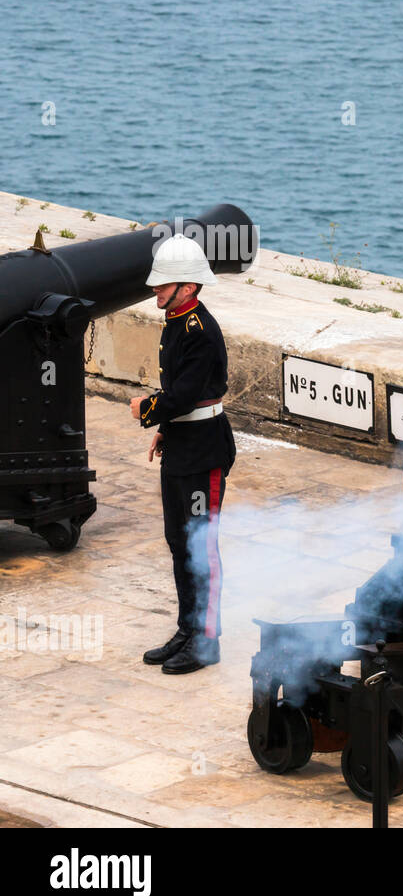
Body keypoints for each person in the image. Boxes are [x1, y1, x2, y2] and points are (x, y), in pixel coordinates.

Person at [129, 235, 236, 674]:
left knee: (200, 547)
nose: (155, 291)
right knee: (179, 542)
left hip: (203, 451)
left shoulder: (199, 330)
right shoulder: (177, 318)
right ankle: (188, 629)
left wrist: (147, 411)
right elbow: (181, 392)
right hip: (183, 445)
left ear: (187, 287)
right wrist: (166, 432)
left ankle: (207, 639)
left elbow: (186, 395)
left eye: (163, 285)